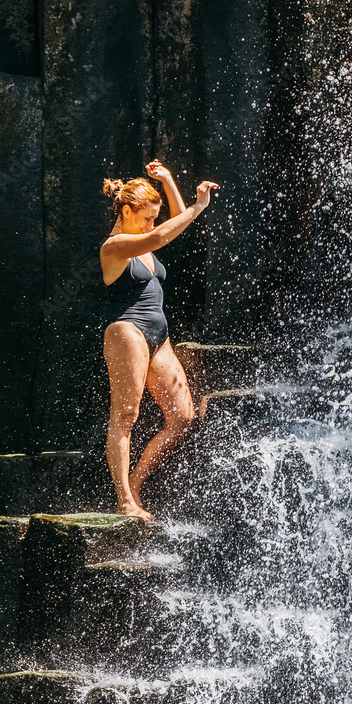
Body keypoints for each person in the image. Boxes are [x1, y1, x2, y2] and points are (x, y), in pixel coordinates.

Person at [101, 160, 218, 520]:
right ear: (126, 211)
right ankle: (124, 500)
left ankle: (136, 483)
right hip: (128, 331)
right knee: (126, 413)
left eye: (155, 217)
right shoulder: (117, 245)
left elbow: (172, 225)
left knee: (182, 418)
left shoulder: (143, 240)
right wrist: (197, 207)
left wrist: (168, 180)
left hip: (159, 336)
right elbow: (162, 235)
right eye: (147, 217)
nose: (153, 223)